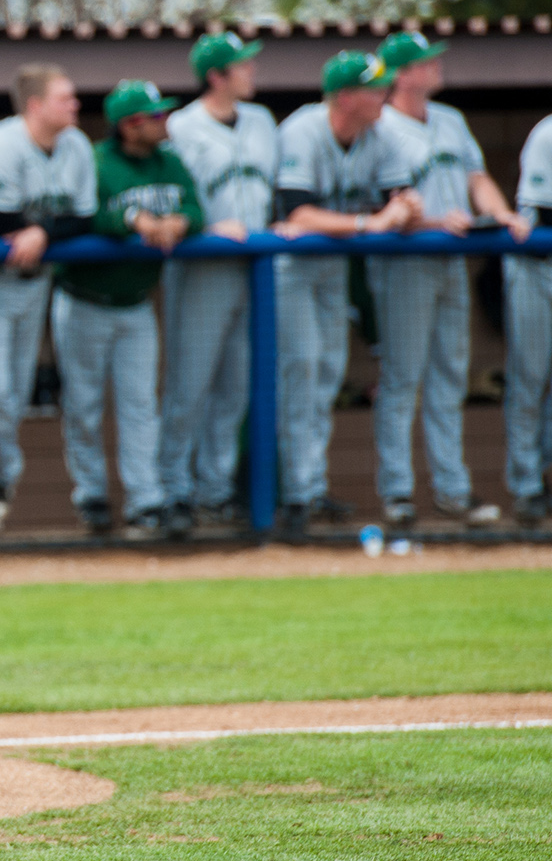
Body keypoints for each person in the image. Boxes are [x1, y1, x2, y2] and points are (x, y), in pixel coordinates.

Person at [370, 31, 521, 529]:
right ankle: (397, 492)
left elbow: (477, 177)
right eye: (425, 61)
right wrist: (437, 222)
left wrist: (501, 212)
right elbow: (387, 206)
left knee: (450, 377)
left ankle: (452, 490)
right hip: (405, 263)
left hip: (452, 261)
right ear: (401, 75)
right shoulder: (381, 126)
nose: (436, 65)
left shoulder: (451, 119)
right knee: (402, 378)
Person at [272, 51, 421, 540]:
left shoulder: (382, 133)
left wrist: (403, 211)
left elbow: (402, 200)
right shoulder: (303, 129)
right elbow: (297, 213)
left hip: (333, 268)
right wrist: (368, 222)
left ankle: (311, 487)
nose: (384, 96)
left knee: (328, 373)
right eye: (375, 89)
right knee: (302, 369)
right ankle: (295, 493)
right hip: (291, 269)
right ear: (345, 97)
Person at [0, 63, 95, 536]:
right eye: (64, 97)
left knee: (5, 400)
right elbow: (1, 219)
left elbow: (84, 218)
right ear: (35, 105)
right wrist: (40, 229)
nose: (74, 104)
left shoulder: (76, 145)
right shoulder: (2, 143)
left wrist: (42, 232)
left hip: (33, 285)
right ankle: (9, 470)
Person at [54, 81, 203, 539]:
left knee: (141, 405)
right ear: (131, 124)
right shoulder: (95, 161)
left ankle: (145, 501)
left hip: (137, 303)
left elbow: (196, 210)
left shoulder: (169, 161)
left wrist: (179, 221)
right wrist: (130, 220)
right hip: (85, 300)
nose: (165, 121)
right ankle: (91, 496)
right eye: (155, 115)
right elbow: (81, 216)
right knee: (83, 405)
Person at [161, 32, 276, 532]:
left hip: (257, 266)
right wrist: (204, 230)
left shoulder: (263, 121)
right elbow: (173, 199)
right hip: (203, 267)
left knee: (236, 389)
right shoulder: (181, 126)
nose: (252, 71)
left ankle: (213, 489)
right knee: (189, 387)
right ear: (216, 76)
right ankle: (172, 489)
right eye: (242, 65)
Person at [504, 116, 552, 526]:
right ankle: (527, 486)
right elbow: (543, 213)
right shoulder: (547, 134)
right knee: (530, 379)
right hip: (536, 269)